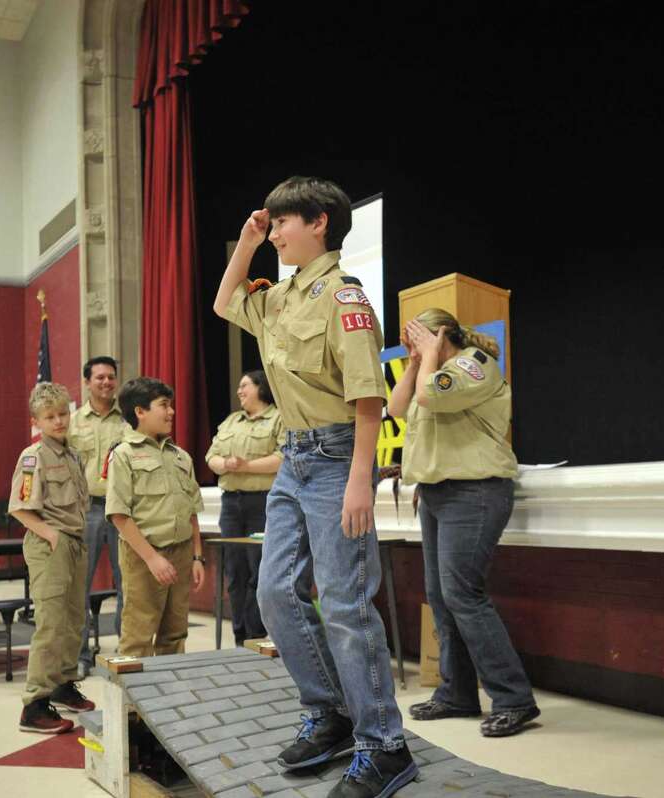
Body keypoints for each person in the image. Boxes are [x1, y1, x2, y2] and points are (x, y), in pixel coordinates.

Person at [212, 176, 416, 798]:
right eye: (269, 223)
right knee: (275, 594)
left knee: (346, 604)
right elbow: (224, 304)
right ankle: (328, 712)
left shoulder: (344, 297)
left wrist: (361, 480)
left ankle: (384, 744)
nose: (273, 231)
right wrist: (246, 245)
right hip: (294, 461)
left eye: (281, 222)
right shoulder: (282, 297)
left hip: (334, 462)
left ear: (320, 221)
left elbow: (368, 397)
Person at [393, 308, 540, 738]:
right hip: (438, 494)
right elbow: (398, 405)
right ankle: (457, 693)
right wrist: (418, 361)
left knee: (464, 595)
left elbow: (430, 398)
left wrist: (433, 355)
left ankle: (513, 698)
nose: (414, 343)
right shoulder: (430, 371)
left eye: (419, 336)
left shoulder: (474, 365)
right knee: (441, 597)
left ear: (442, 334)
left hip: (474, 494)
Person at [8, 382, 96, 734]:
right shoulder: (33, 457)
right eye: (50, 417)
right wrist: (52, 535)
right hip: (51, 546)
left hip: (74, 543)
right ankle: (35, 705)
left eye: (62, 413)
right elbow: (20, 508)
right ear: (37, 421)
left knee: (74, 621)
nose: (58, 421)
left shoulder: (71, 454)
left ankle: (61, 684)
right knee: (50, 625)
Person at [104, 377, 206, 657]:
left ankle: (170, 700)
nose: (171, 412)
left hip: (182, 553)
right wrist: (152, 558)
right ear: (140, 412)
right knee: (137, 637)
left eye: (171, 405)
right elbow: (118, 515)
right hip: (144, 556)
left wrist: (197, 557)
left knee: (175, 635)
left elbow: (191, 511)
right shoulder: (124, 455)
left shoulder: (181, 456)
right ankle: (132, 702)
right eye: (163, 405)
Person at [205, 370, 282, 645]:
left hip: (263, 502)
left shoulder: (278, 418)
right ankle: (240, 635)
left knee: (260, 569)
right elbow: (211, 456)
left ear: (261, 387)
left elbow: (282, 458)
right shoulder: (231, 421)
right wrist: (224, 465)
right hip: (231, 503)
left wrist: (246, 466)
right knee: (235, 570)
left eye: (245, 386)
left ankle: (257, 633)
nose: (239, 391)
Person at [68, 355, 127, 677]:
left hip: (122, 512)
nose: (106, 382)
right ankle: (80, 656)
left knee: (127, 584)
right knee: (80, 585)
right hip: (86, 509)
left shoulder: (130, 420)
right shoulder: (73, 422)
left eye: (111, 377)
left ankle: (125, 651)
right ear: (87, 382)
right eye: (100, 377)